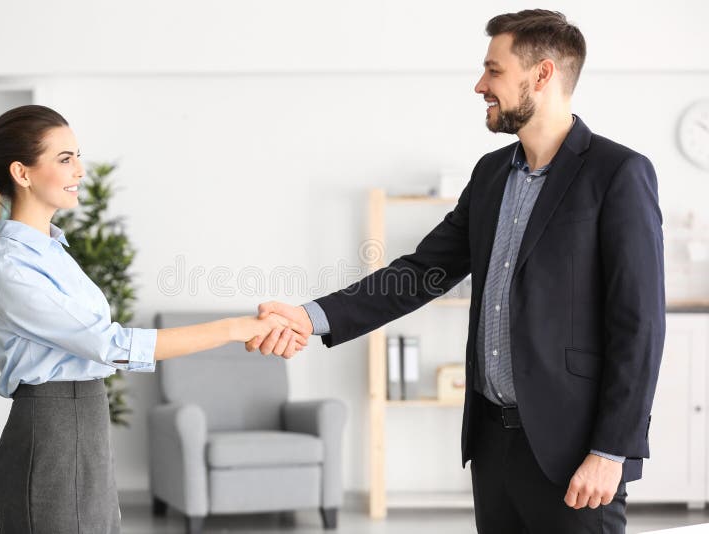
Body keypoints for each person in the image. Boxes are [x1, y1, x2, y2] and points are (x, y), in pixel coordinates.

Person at [248, 9, 665, 534]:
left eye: (493, 70)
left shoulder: (618, 173)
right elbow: (423, 271)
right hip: (493, 447)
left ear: (541, 75)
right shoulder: (491, 174)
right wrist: (311, 317)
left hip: (575, 454)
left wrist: (612, 449)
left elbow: (640, 325)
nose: (479, 85)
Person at [0, 104, 306, 534]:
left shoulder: (51, 252)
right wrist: (233, 329)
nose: (80, 170)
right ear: (22, 173)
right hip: (52, 435)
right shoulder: (13, 267)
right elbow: (110, 345)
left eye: (78, 155)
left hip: (83, 422)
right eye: (65, 159)